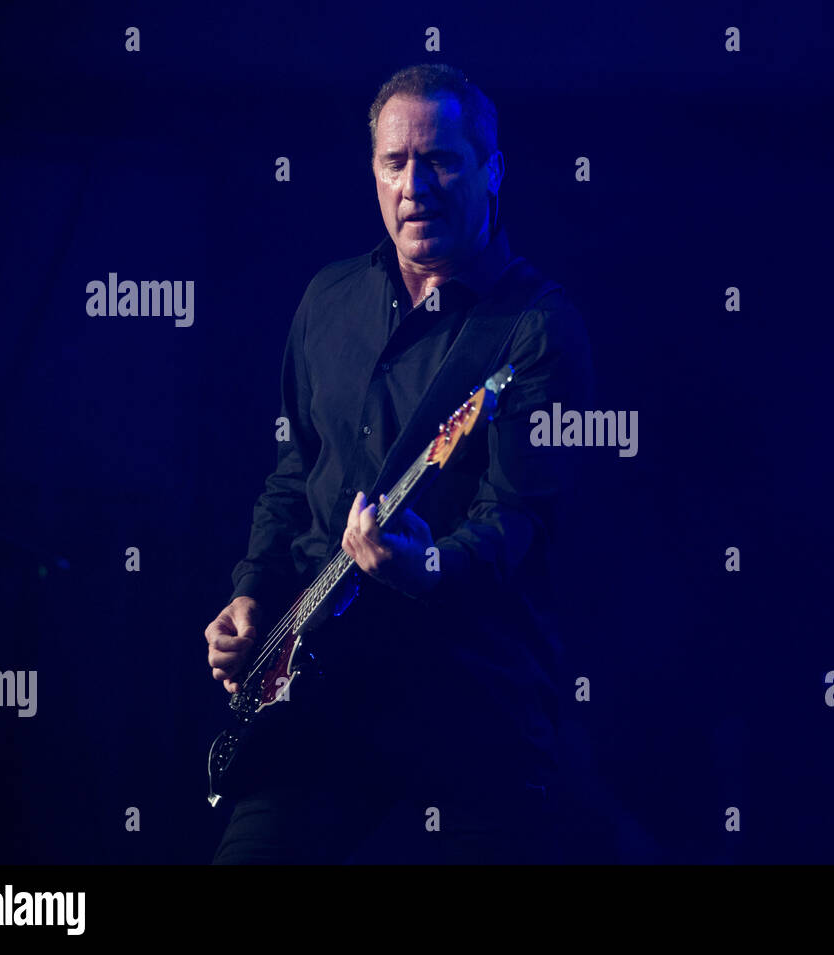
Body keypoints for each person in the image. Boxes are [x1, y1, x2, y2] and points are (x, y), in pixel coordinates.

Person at [204, 63, 594, 863]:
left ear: (492, 171)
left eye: (442, 160)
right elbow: (293, 474)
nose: (416, 184)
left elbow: (522, 516)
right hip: (316, 696)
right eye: (395, 163)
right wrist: (250, 595)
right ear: (374, 173)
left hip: (468, 706)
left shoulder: (536, 327)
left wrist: (429, 568)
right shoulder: (328, 298)